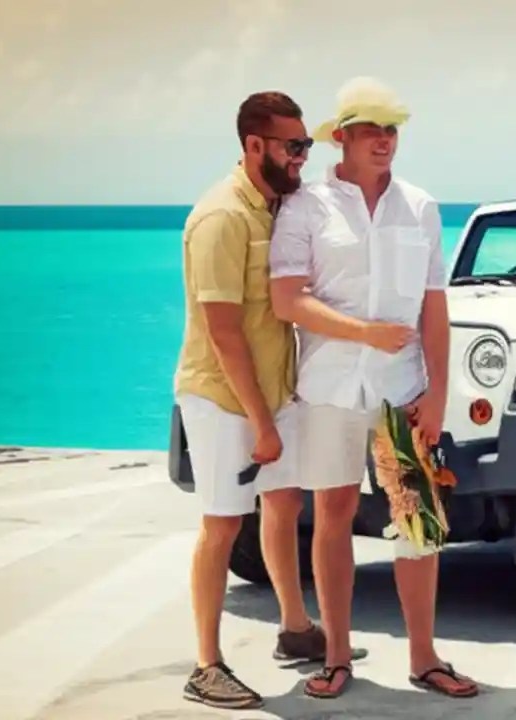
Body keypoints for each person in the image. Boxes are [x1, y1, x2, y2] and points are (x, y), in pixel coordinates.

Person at [268, 75, 477, 700]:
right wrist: (362, 332)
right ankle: (335, 657)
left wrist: (438, 393)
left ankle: (425, 658)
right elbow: (287, 300)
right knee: (332, 516)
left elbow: (434, 308)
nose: (384, 140)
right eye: (371, 130)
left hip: (404, 389)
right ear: (343, 137)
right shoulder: (306, 206)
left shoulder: (421, 206)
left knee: (418, 522)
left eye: (391, 130)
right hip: (331, 389)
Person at [173, 91, 335, 710]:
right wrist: (262, 424)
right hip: (222, 398)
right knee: (220, 525)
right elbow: (224, 333)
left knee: (285, 501)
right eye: (292, 147)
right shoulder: (221, 218)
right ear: (253, 146)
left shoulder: (278, 207)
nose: (301, 158)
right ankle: (206, 665)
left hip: (275, 390)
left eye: (305, 146)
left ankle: (295, 630)